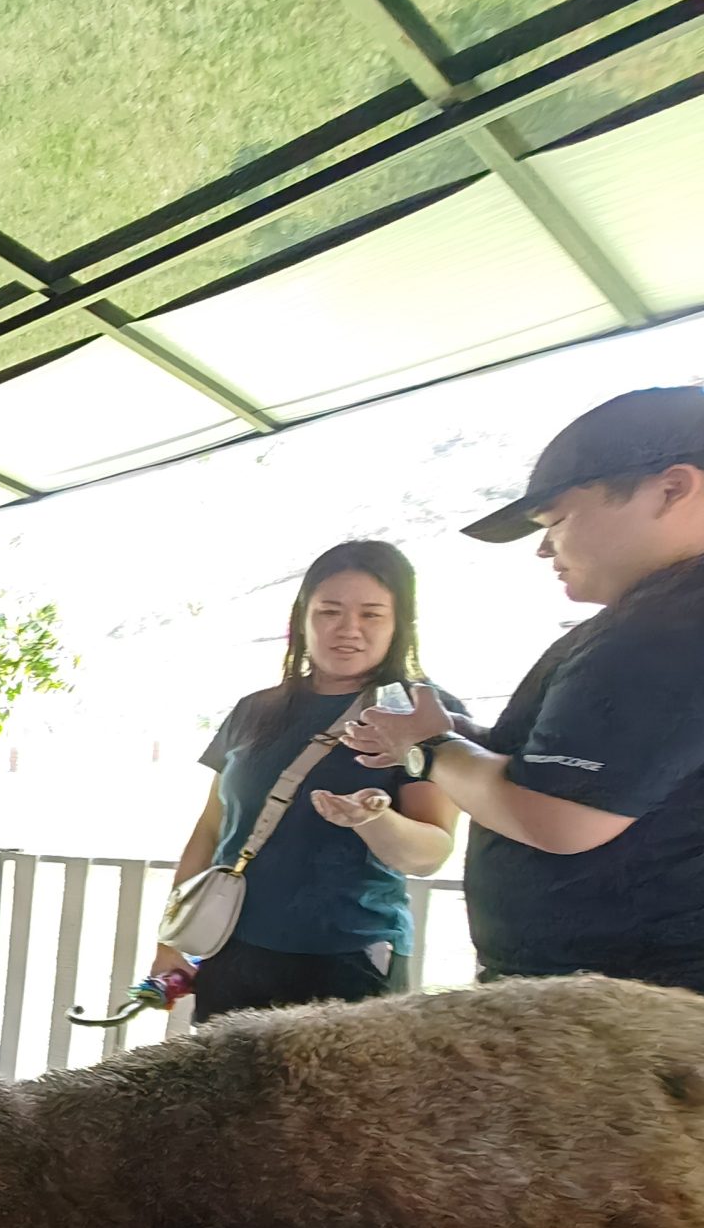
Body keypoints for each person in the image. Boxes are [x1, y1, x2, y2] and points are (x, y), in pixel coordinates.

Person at [345, 386, 704, 992]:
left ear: (671, 489)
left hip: (622, 1004)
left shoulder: (667, 628)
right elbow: (577, 775)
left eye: (557, 520)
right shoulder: (652, 616)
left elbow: (560, 817)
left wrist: (430, 750)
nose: (544, 548)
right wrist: (459, 736)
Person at [154, 540, 460, 1021]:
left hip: (347, 961)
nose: (348, 630)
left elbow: (430, 852)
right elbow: (212, 829)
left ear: (400, 624)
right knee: (224, 1095)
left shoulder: (422, 711)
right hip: (229, 949)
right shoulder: (254, 710)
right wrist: (170, 938)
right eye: (329, 612)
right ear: (301, 618)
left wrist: (372, 819)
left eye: (372, 615)